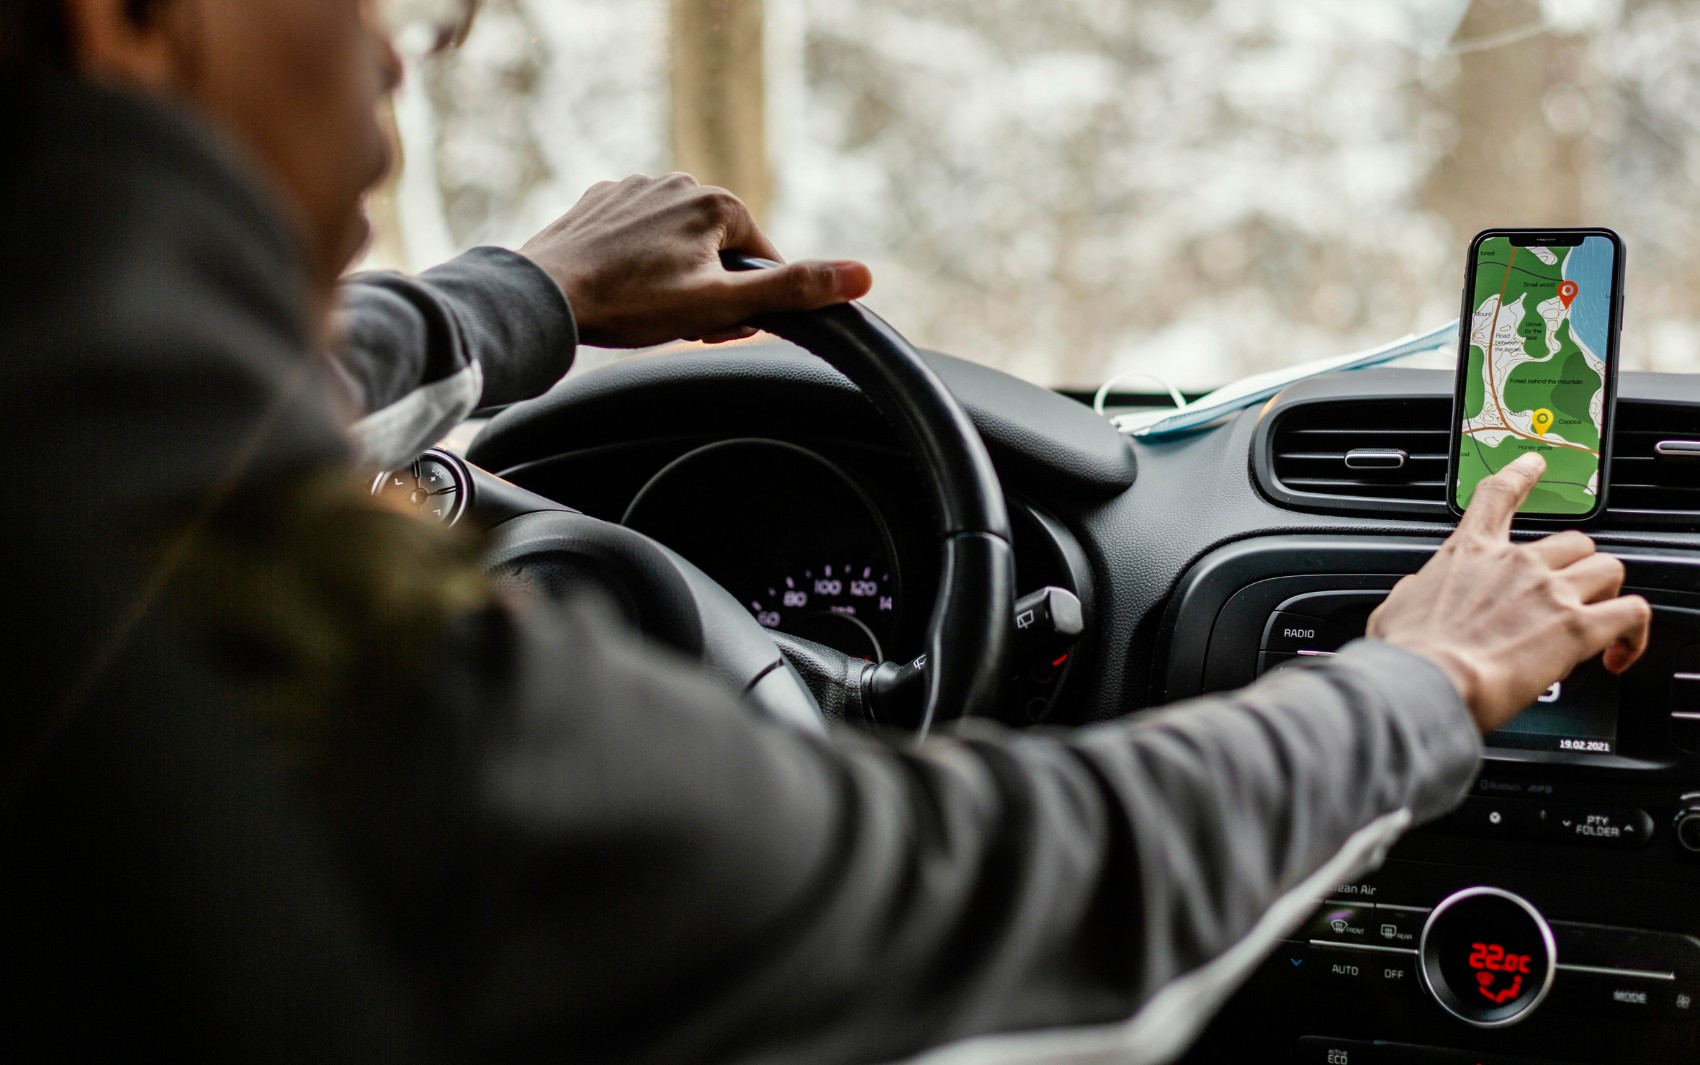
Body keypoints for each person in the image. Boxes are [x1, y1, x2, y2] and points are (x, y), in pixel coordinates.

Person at [0, 2, 1652, 1064]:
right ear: (132, 22)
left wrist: (529, 299)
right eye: (379, 3)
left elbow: (206, 394)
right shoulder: (260, 647)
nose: (387, 55)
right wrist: (1427, 677)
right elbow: (992, 895)